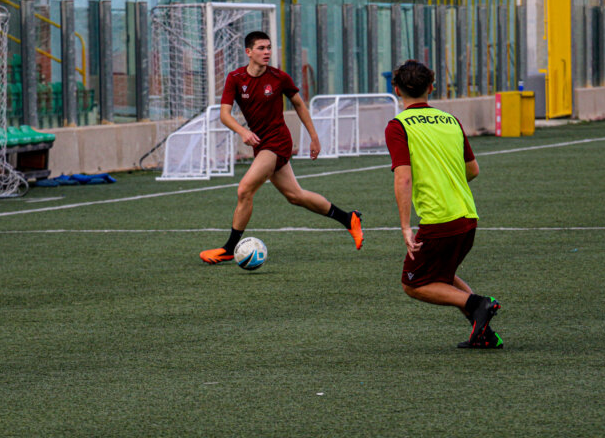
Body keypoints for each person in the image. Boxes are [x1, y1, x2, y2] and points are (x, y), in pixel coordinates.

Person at [199, 31, 363, 264]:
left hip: (277, 142)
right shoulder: (235, 78)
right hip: (261, 144)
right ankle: (349, 219)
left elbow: (299, 104)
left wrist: (314, 137)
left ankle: (229, 248)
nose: (267, 52)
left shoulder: (279, 77)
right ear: (249, 52)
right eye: (261, 48)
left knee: (245, 189)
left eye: (269, 48)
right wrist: (243, 131)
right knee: (295, 196)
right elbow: (225, 115)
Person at [384, 59, 502, 349]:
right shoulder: (451, 120)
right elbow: (473, 169)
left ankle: (478, 303)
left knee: (413, 284)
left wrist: (404, 226)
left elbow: (403, 177)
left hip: (439, 220)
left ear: (396, 90)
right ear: (432, 88)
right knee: (443, 276)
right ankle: (484, 334)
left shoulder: (398, 126)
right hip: (467, 216)